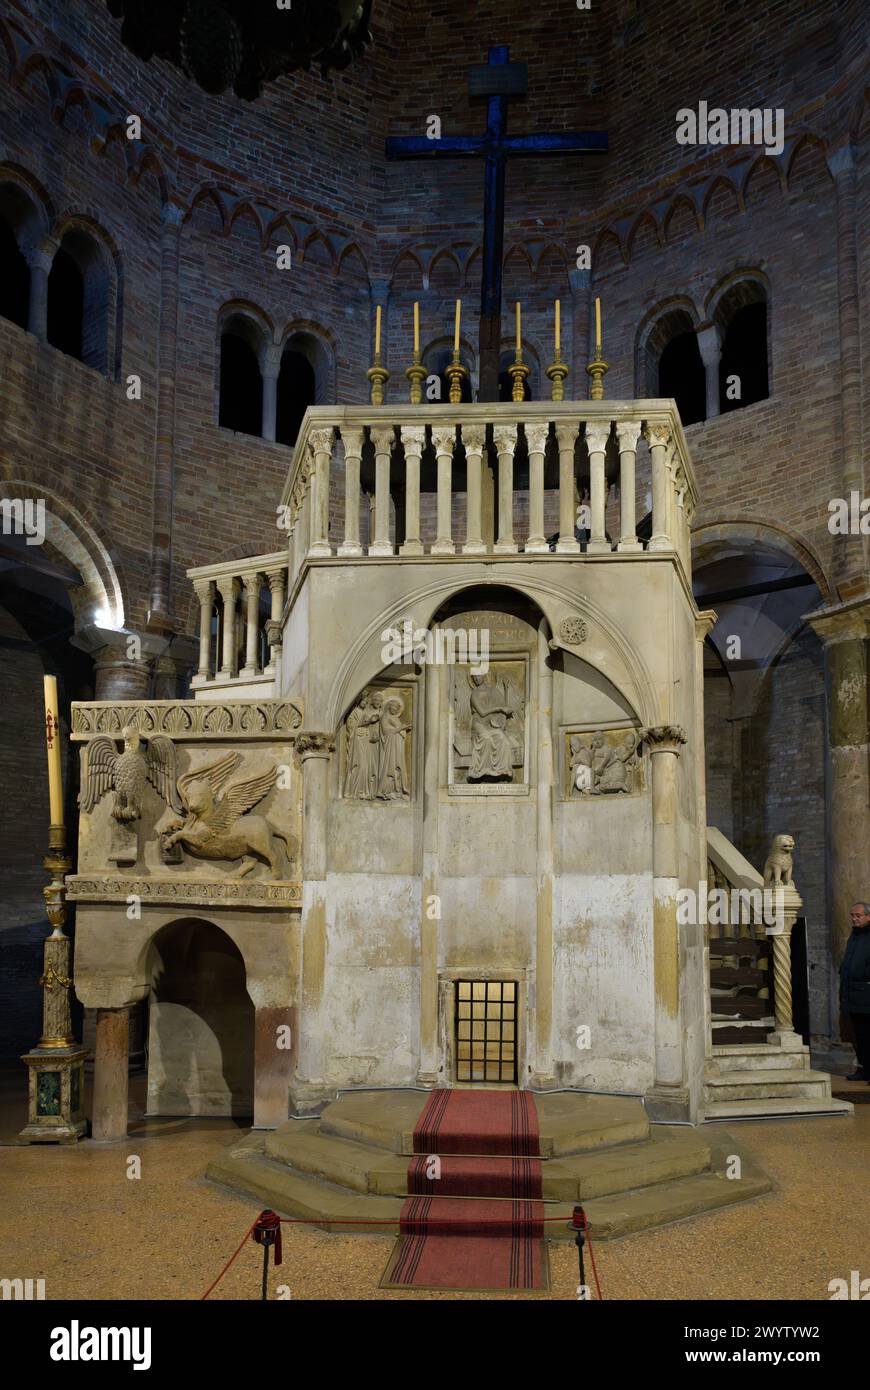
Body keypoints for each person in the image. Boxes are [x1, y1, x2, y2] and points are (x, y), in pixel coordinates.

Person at [840, 901, 870, 1082]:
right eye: (852, 915)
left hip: (866, 993)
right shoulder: (855, 935)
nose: (854, 919)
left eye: (858, 915)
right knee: (859, 1036)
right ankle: (864, 1069)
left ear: (868, 916)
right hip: (852, 994)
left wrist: (863, 976)